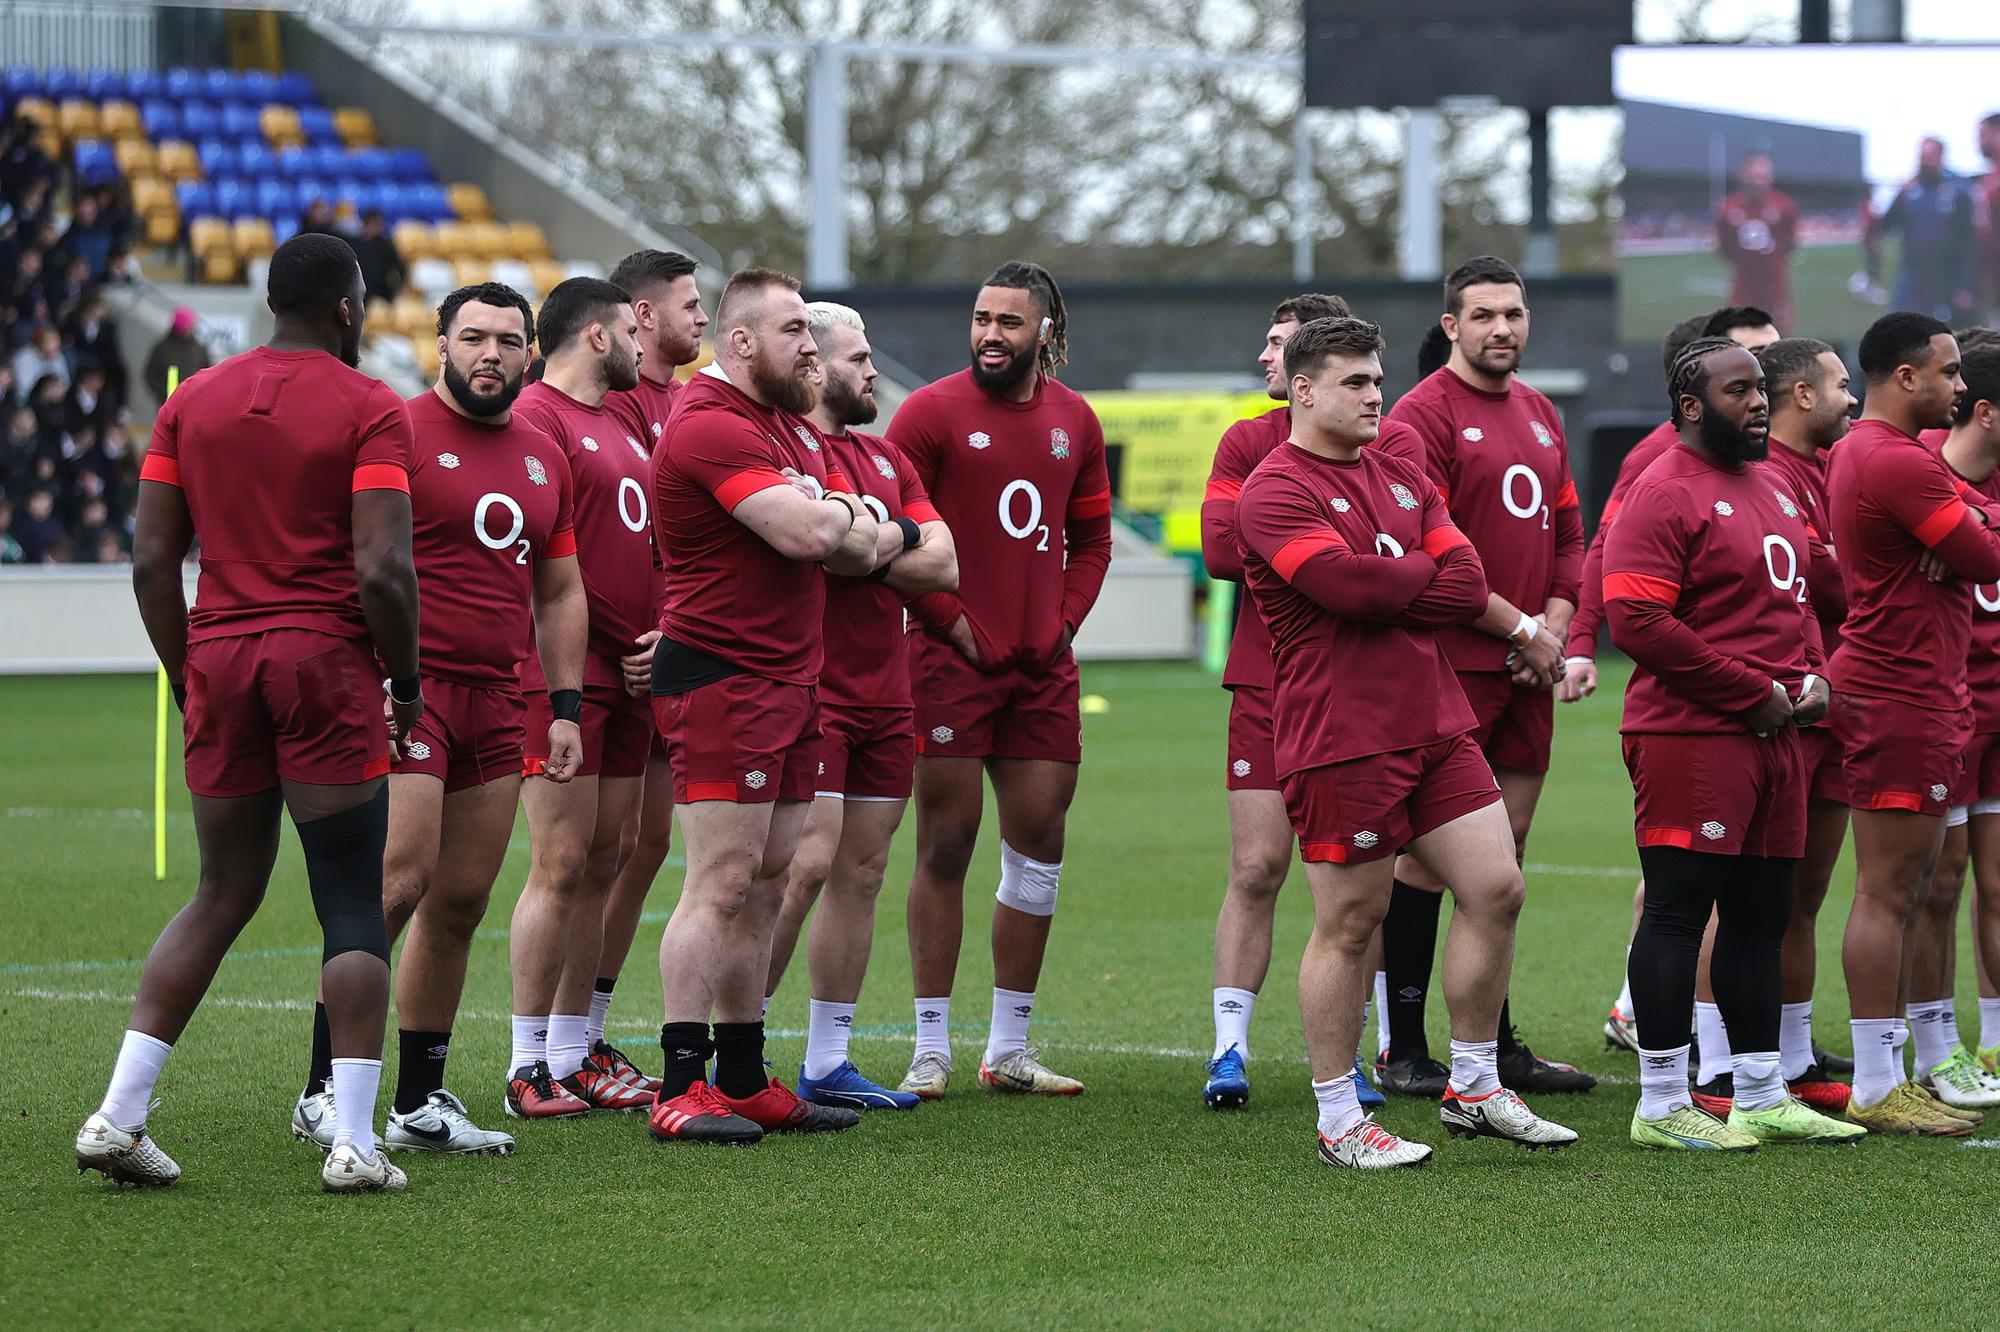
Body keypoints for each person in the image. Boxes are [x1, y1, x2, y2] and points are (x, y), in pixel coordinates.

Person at [74, 234, 421, 1192]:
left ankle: (118, 1113)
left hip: (222, 654)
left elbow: (151, 563)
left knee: (220, 890)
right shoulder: (370, 405)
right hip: (322, 663)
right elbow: (383, 569)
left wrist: (190, 673)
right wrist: (408, 680)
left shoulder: (191, 399)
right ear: (348, 309)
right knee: (351, 900)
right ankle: (354, 1141)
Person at [1236, 315, 1576, 1167]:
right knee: (1351, 922)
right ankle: (1338, 1118)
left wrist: (1405, 584)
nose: (1376, 394)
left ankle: (1474, 1086)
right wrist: (1413, 582)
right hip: (1340, 734)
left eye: (1378, 379)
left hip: (1435, 719)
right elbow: (1344, 587)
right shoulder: (1274, 488)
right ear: (1304, 390)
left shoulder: (1400, 469)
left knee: (1497, 887)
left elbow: (1466, 582)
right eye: (1356, 382)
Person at [291, 283, 589, 1155]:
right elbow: (351, 561)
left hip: (500, 699)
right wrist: (367, 672)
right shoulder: (397, 430)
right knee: (393, 886)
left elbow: (561, 587)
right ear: (440, 344)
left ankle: (420, 1100)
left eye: (507, 340)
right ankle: (320, 1090)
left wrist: (563, 705)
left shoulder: (544, 453)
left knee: (459, 903)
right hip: (405, 694)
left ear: (530, 353)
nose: (489, 355)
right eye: (472, 338)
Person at [1605, 335, 1863, 1151]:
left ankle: (1758, 1090)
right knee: (1680, 914)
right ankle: (1660, 1102)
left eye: (1761, 389)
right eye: (1739, 391)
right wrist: (1750, 691)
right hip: (1692, 732)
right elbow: (1636, 620)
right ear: (1690, 406)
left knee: (1762, 915)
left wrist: (1815, 677)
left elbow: (1799, 608)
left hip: (1777, 732)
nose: (1759, 403)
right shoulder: (1661, 490)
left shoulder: (1773, 486)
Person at [646, 268, 880, 1144]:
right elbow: (818, 536)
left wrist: (845, 513)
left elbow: (853, 550)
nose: (811, 348)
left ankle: (742, 1076)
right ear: (739, 342)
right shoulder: (709, 424)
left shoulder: (779, 426)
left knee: (769, 881)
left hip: (790, 679)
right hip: (725, 679)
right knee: (722, 881)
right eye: (794, 333)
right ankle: (680, 1084)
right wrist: (849, 513)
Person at [885, 261, 1114, 1099]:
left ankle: (1008, 1048)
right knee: (945, 844)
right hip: (948, 661)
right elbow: (893, 538)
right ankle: (932, 1046)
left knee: (1040, 847)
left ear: (1044, 331)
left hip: (1041, 671)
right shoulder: (928, 412)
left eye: (1009, 322)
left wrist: (1060, 627)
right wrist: (950, 625)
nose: (989, 334)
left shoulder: (1074, 421)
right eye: (981, 318)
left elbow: (1091, 542)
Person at [1197, 291, 1424, 1111]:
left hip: (1367, 692)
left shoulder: (1387, 443)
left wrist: (1378, 574)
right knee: (1258, 867)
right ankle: (1229, 1048)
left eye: (1280, 344)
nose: (1267, 359)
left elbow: (1433, 559)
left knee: (1363, 882)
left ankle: (1352, 1054)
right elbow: (1222, 547)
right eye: (1268, 344)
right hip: (1267, 678)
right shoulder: (1248, 446)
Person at [1379, 256, 1593, 1097]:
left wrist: (1559, 626)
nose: (1502, 328)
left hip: (1529, 667)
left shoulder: (1541, 413)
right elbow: (1428, 555)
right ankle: (1403, 1048)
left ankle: (1493, 1041)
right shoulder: (1420, 415)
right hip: (1453, 663)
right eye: (1484, 315)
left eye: (1514, 313)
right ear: (1451, 326)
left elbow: (1570, 534)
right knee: (1433, 861)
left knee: (1505, 861)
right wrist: (1524, 630)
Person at [762, 301, 958, 1109]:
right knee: (803, 866)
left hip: (887, 692)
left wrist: (884, 541)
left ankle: (824, 1061)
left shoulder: (887, 457)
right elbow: (829, 555)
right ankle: (735, 1044)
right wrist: (892, 543)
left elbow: (942, 565)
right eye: (858, 358)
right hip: (813, 694)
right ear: (814, 366)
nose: (873, 371)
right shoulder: (782, 450)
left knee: (863, 873)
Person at [1828, 311, 2000, 1135]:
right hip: (1902, 694)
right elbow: (1989, 558)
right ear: (1906, 378)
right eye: (1948, 372)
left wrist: (1973, 526)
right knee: (1892, 891)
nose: (1961, 387)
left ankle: (1887, 1070)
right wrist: (1973, 536)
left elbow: (1977, 527)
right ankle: (1874, 1080)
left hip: (1914, 690)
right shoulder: (1893, 460)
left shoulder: (1880, 454)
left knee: (1906, 888)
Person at [501, 278, 659, 1117]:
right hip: (565, 676)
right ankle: (526, 1063)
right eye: (634, 330)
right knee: (560, 861)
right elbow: (544, 568)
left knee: (610, 855)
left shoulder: (621, 424)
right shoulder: (539, 419)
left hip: (632, 674)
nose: (646, 346)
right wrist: (601, 648)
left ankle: (573, 1052)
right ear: (599, 336)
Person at [588, 248, 710, 1071]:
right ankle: (564, 1039)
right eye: (690, 304)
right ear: (640, 315)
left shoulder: (698, 401)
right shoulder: (618, 404)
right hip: (624, 656)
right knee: (598, 849)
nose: (701, 318)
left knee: (650, 843)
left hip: (681, 649)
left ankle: (587, 1028)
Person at [1746, 336, 1859, 1111]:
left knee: (1805, 894)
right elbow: (1842, 587)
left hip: (1831, 706)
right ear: (1804, 396)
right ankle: (1715, 1056)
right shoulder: (1762, 474)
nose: (1851, 399)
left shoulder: (1829, 471)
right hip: (1779, 710)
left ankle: (1790, 1053)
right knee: (1752, 896)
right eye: (1841, 385)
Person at [1905, 332, 2000, 1110]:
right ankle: (1930, 1044)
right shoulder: (1920, 471)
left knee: (1995, 884)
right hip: (1946, 709)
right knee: (1935, 885)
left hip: (1996, 715)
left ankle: (1992, 1038)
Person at [1866, 138, 1979, 323]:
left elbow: (1968, 242)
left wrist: (1965, 286)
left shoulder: (1957, 191)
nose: (1923, 160)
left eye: (1929, 155)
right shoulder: (1908, 192)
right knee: (1900, 325)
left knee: (1944, 333)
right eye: (1921, 156)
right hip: (1913, 273)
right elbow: (1886, 225)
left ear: (1941, 157)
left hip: (1946, 275)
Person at [1715, 152, 1799, 330]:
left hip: (1775, 287)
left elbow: (1790, 244)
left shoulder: (1784, 205)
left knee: (1778, 340)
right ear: (1742, 175)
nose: (1758, 181)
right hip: (1743, 287)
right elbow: (1724, 247)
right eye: (1753, 176)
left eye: (1762, 175)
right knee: (1739, 339)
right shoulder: (1728, 206)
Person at [143, 307, 210, 410]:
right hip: (168, 404)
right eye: (188, 325)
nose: (191, 328)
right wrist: (163, 395)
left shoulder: (199, 349)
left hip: (193, 403)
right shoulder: (163, 348)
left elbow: (208, 373)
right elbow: (151, 374)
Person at [350, 210, 406, 304]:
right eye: (374, 224)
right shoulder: (355, 244)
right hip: (361, 288)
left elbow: (398, 265)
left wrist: (399, 285)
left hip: (382, 290)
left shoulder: (385, 245)